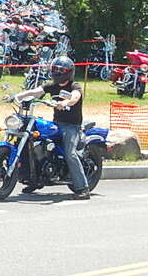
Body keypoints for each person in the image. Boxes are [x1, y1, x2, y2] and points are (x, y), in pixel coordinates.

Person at [12, 55, 91, 200]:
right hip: (56, 124)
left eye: (61, 70)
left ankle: (83, 188)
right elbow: (35, 91)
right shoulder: (52, 85)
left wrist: (65, 103)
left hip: (72, 127)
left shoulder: (74, 86)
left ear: (69, 72)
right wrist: (18, 96)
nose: (58, 72)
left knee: (70, 153)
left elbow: (75, 97)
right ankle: (33, 179)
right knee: (33, 142)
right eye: (55, 69)